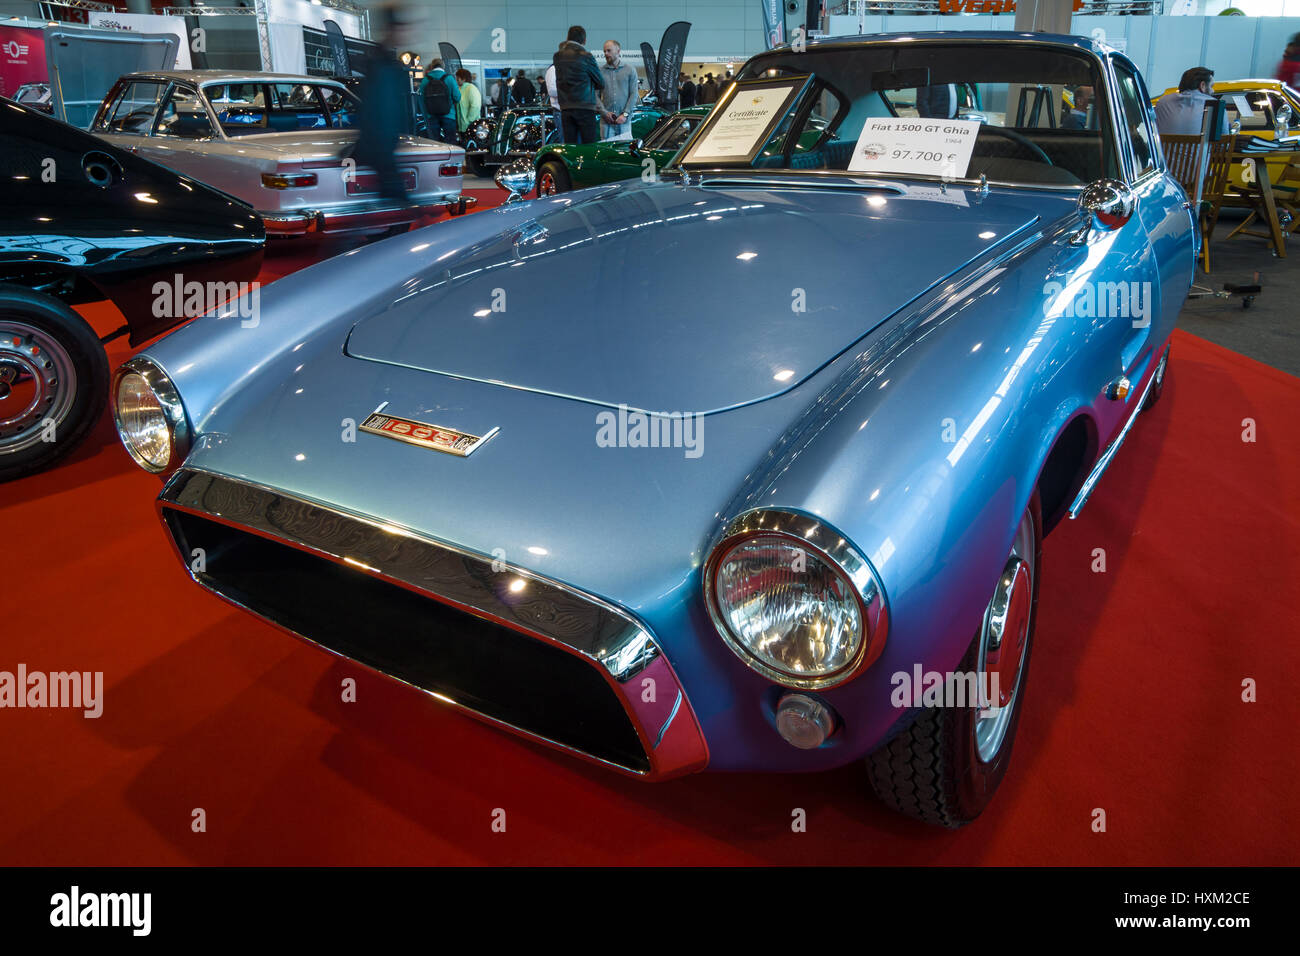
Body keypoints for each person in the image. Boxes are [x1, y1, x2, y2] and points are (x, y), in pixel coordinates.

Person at [553, 24, 604, 144]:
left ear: (567, 38)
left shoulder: (557, 56)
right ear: (584, 40)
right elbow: (600, 82)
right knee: (589, 146)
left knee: (570, 146)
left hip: (565, 107)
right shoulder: (586, 56)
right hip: (585, 106)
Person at [1155, 67, 1228, 138]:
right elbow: (1224, 142)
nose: (1213, 91)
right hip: (1199, 150)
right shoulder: (1216, 106)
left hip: (1163, 150)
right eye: (1211, 86)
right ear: (1202, 85)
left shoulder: (1162, 102)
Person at [598, 40, 638, 140]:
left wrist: (625, 114)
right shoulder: (600, 71)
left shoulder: (630, 70)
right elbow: (595, 96)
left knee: (624, 152)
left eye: (609, 51)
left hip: (624, 122)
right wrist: (604, 113)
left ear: (618, 51)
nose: (606, 54)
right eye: (604, 51)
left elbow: (634, 94)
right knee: (606, 152)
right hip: (606, 123)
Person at [419, 57, 460, 143]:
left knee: (434, 143)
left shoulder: (425, 80)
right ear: (443, 66)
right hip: (449, 115)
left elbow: (421, 100)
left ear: (431, 67)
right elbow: (457, 97)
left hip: (431, 115)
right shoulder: (449, 78)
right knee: (451, 143)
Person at [455, 68, 481, 135]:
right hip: (462, 126)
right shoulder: (460, 89)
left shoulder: (471, 88)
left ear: (464, 79)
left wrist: (469, 120)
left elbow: (475, 106)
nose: (456, 80)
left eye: (458, 78)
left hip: (471, 125)